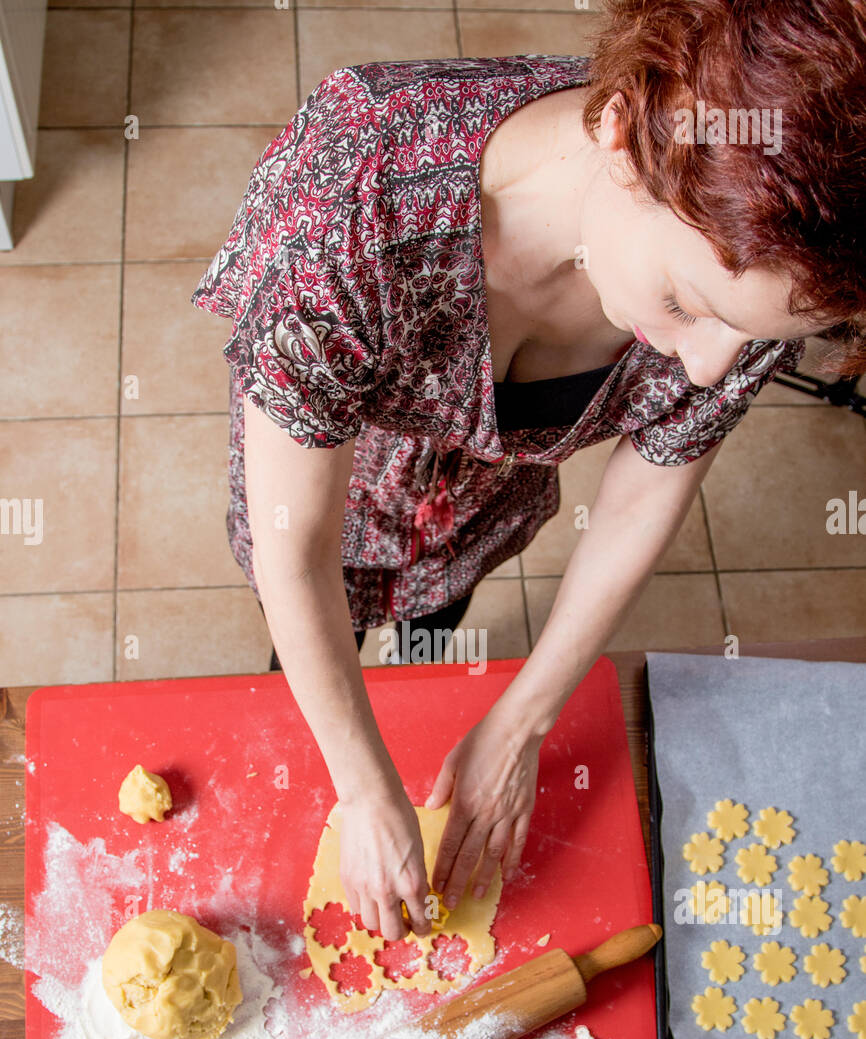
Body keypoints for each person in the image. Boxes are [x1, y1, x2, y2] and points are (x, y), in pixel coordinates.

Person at [191, 0, 866, 946]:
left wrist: (522, 720)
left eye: (752, 337)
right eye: (688, 304)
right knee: (313, 623)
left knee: (436, 612)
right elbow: (291, 538)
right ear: (624, 138)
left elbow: (646, 491)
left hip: (474, 514)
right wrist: (362, 781)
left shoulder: (751, 277)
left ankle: (424, 629)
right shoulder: (354, 201)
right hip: (327, 513)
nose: (713, 367)